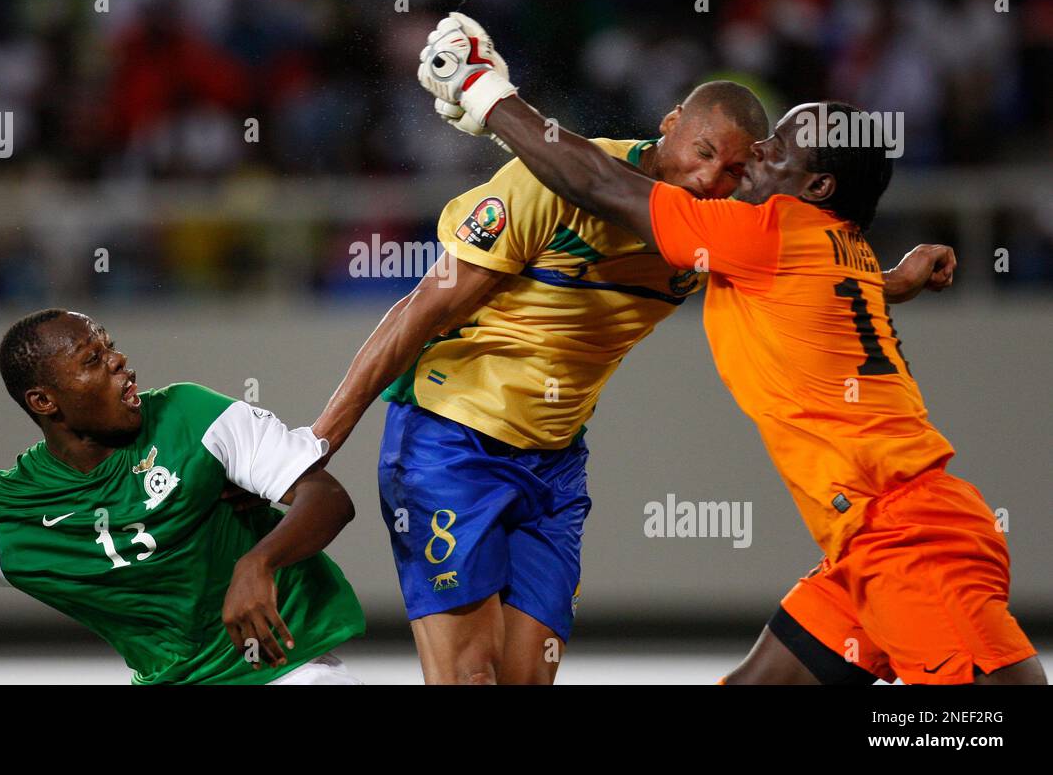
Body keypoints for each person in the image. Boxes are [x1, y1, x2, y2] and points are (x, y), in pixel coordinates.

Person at [417, 12, 1043, 685]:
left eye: (779, 148)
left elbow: (597, 183)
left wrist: (485, 92)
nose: (756, 154)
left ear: (817, 188)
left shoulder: (767, 230)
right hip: (869, 539)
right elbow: (818, 295)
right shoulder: (841, 254)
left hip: (910, 543)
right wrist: (896, 280)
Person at [317, 46, 930, 683]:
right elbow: (416, 314)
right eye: (701, 153)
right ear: (669, 124)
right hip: (451, 442)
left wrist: (888, 281)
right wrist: (321, 440)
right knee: (473, 675)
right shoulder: (552, 182)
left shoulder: (722, 225)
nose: (709, 180)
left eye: (734, 169)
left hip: (553, 463)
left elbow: (802, 274)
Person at [0, 309, 366, 685]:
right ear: (45, 402)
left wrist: (259, 560)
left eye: (109, 346)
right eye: (93, 361)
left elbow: (326, 497)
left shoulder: (193, 415)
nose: (120, 362)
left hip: (292, 670)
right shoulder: (1, 511)